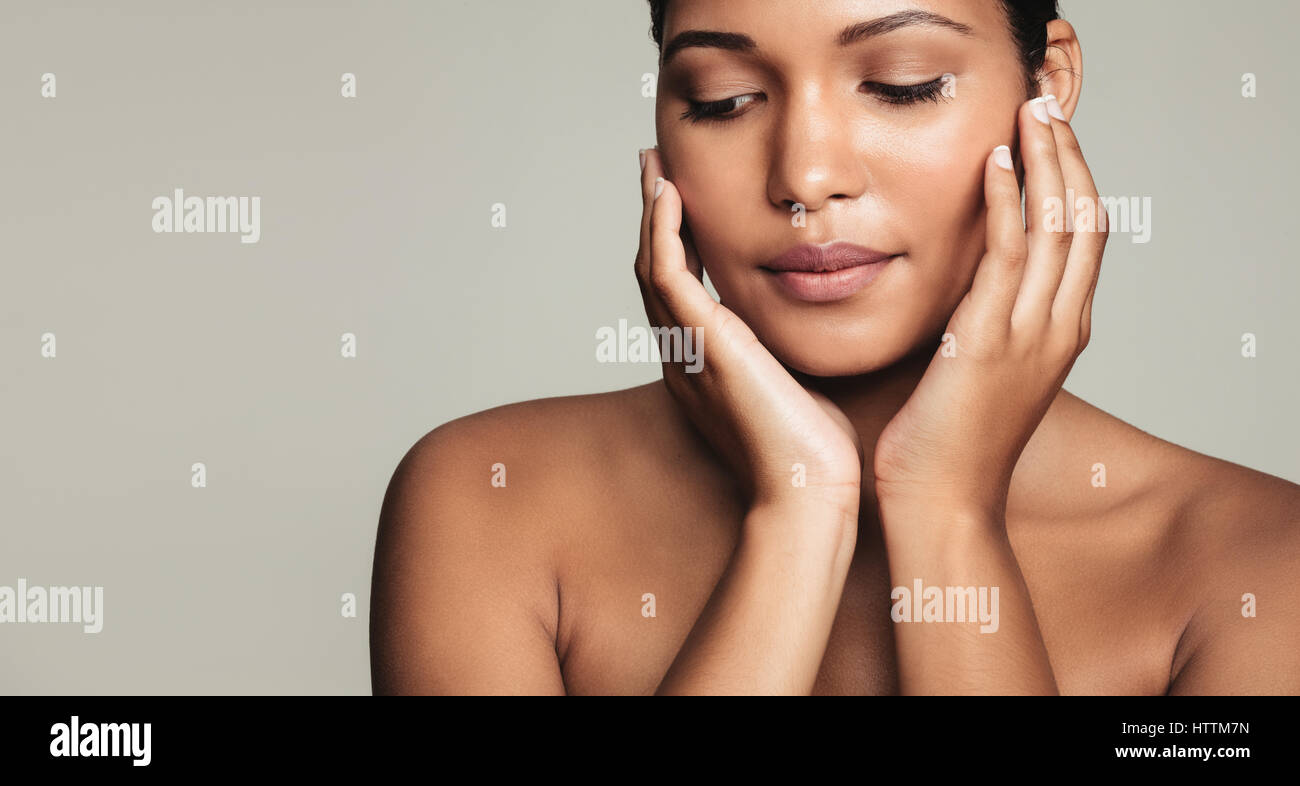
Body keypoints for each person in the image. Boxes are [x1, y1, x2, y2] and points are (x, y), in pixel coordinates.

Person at [369, 0, 1300, 695]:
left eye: (902, 86)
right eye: (724, 100)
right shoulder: (489, 502)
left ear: (1047, 87)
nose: (806, 175)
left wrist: (947, 510)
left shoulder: (1257, 569)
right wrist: (796, 518)